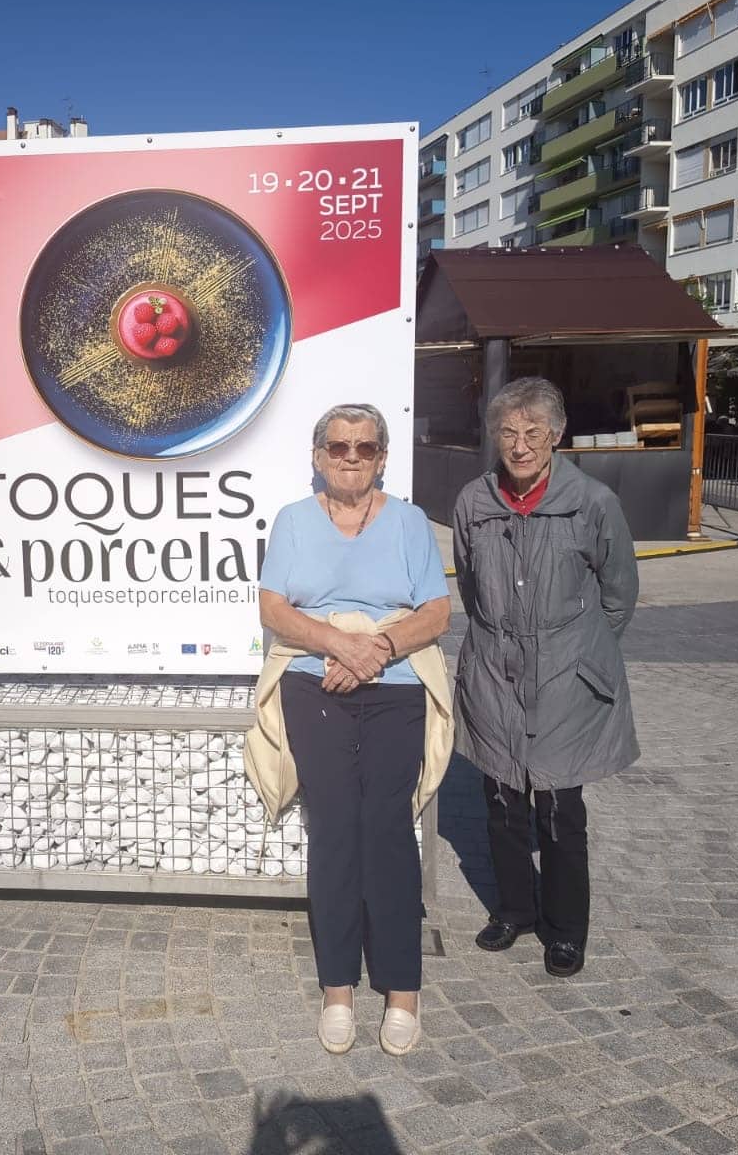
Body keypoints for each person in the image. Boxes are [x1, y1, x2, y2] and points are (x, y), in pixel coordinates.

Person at [251, 403, 452, 1057]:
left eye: (365, 448)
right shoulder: (292, 521)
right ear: (318, 455)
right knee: (334, 828)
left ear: (382, 457)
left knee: (389, 832)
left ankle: (401, 991)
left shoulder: (410, 522)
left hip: (394, 687)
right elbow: (275, 607)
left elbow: (437, 612)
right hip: (314, 685)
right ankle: (337, 987)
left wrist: (376, 650)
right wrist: (339, 644)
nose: (351, 457)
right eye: (338, 446)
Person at [451, 377, 639, 979]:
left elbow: (619, 596)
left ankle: (565, 928)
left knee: (560, 807)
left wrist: (577, 654)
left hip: (565, 675)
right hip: (494, 670)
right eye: (509, 432)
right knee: (503, 799)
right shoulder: (473, 503)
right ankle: (513, 910)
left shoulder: (593, 502)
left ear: (556, 436)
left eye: (534, 432)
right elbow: (471, 583)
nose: (521, 444)